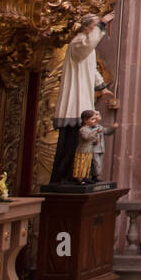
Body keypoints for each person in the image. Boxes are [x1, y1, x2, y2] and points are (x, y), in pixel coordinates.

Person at [49, 13, 118, 186]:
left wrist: (103, 88)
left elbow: (92, 70)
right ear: (87, 27)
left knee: (84, 146)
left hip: (84, 97)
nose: (97, 29)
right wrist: (103, 24)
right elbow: (88, 45)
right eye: (94, 25)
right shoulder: (78, 43)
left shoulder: (88, 48)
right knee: (71, 144)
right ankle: (66, 177)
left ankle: (81, 174)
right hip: (75, 101)